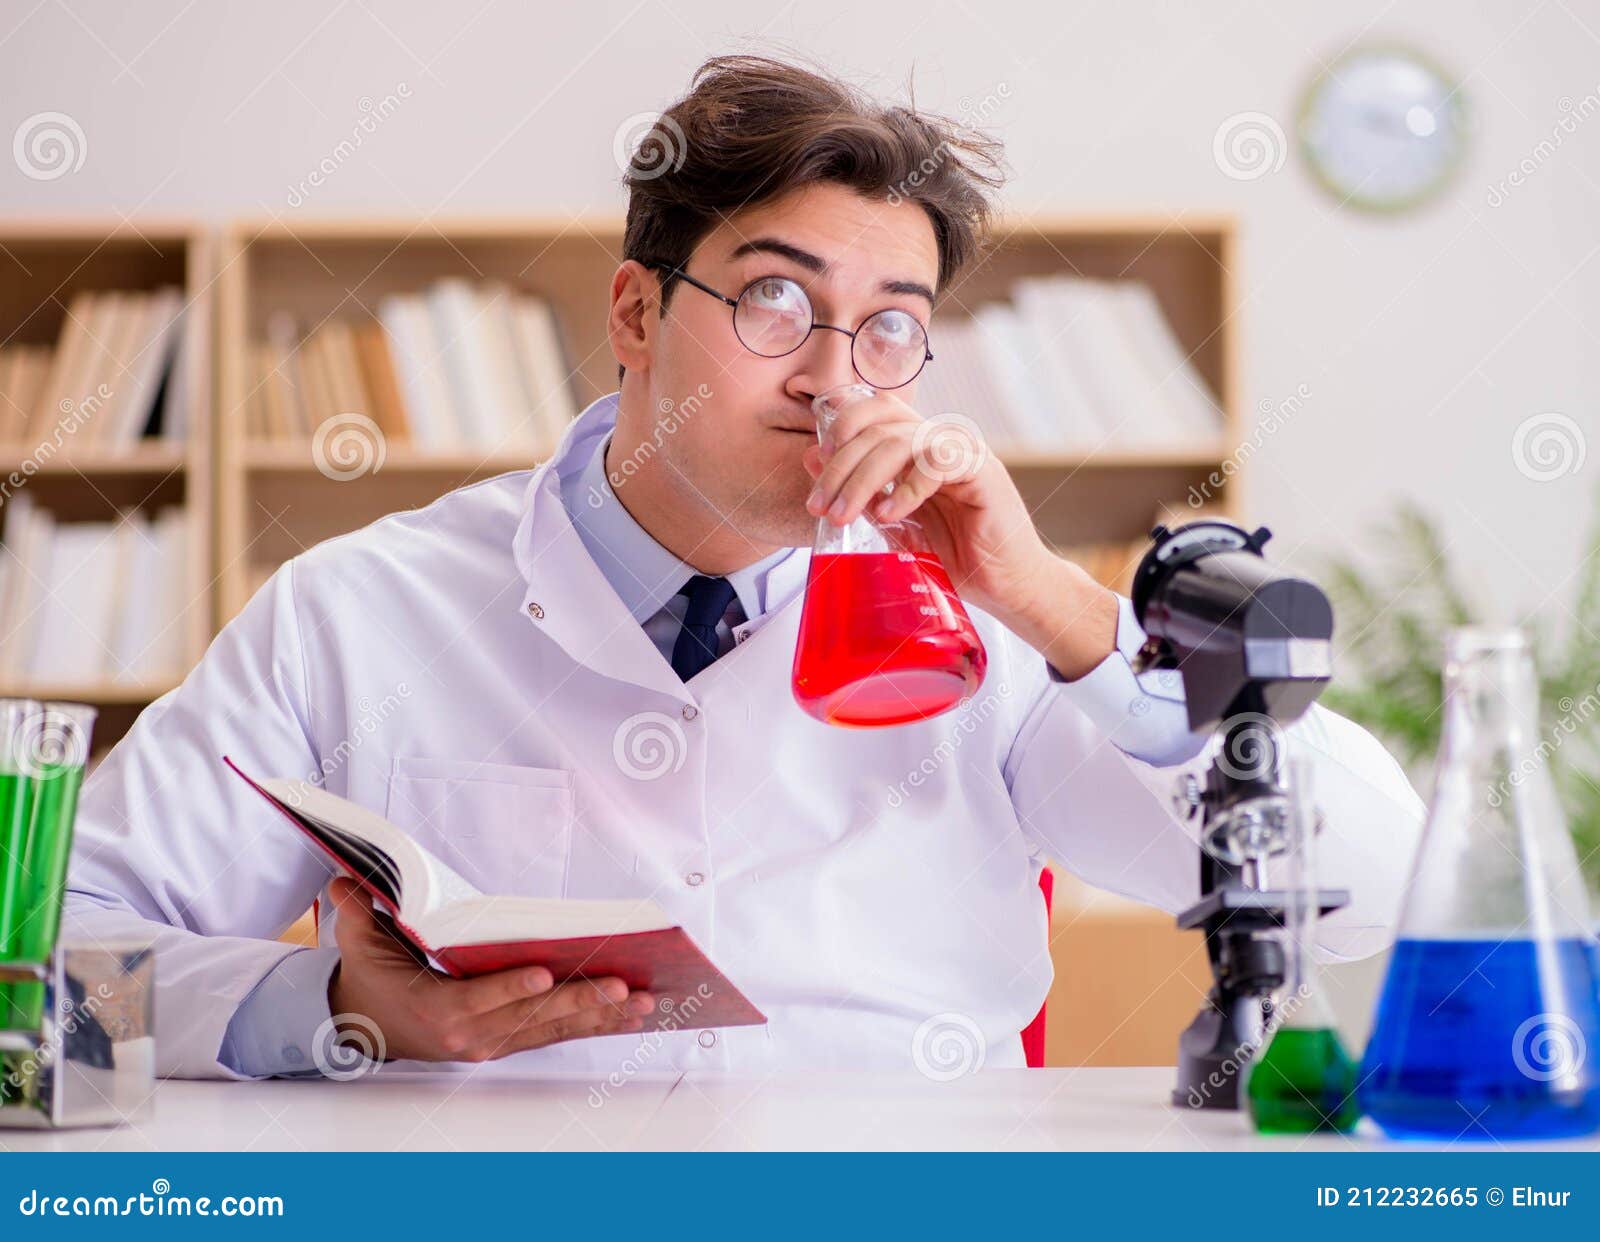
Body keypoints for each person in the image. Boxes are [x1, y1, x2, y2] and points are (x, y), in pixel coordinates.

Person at [64, 54, 1423, 1079]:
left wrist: (1062, 608)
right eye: (777, 300)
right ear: (637, 311)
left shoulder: (991, 625)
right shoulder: (359, 609)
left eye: (891, 326)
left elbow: (1360, 887)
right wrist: (339, 1009)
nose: (836, 374)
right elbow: (52, 964)